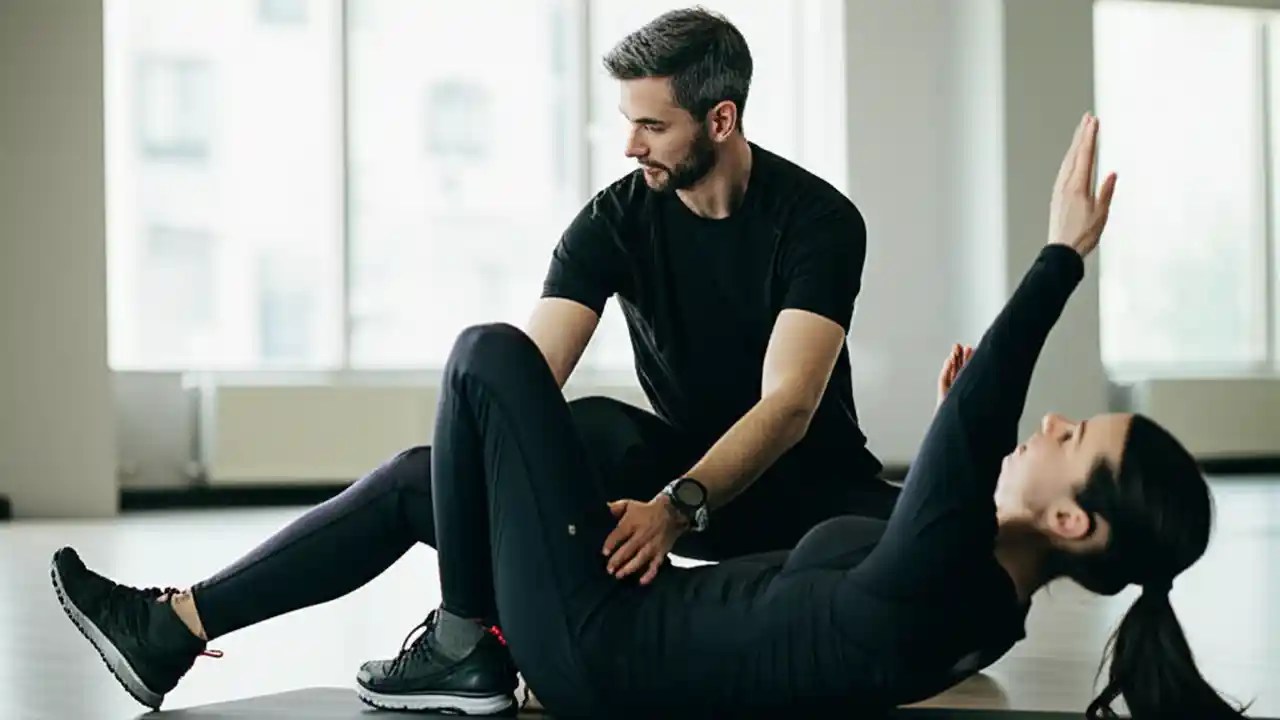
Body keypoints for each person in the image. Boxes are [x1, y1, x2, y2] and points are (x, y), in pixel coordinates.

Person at [51, 114, 1249, 719]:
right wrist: (960, 440)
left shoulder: (944, 577)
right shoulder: (975, 595)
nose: (1046, 428)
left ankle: (465, 647)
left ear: (1077, 525)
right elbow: (935, 508)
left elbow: (886, 437)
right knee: (437, 474)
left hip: (595, 645)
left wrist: (1058, 258)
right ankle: (176, 630)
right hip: (623, 618)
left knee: (484, 357)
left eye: (1069, 442)